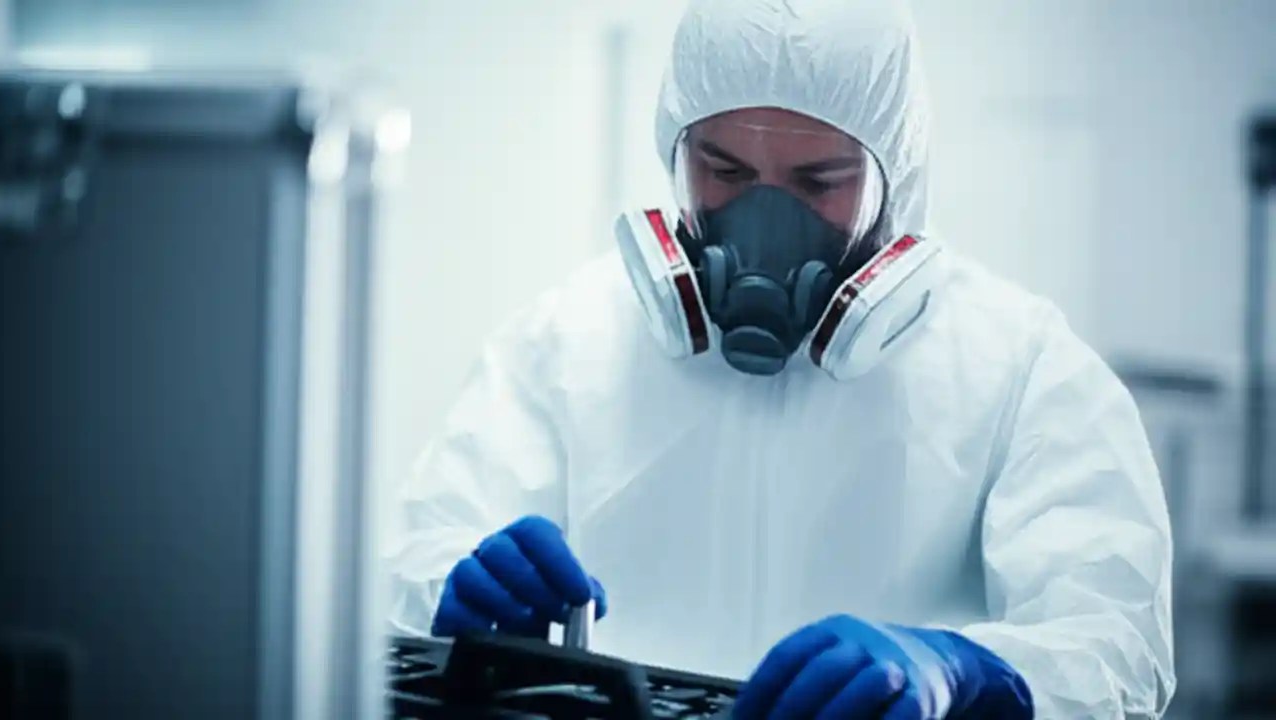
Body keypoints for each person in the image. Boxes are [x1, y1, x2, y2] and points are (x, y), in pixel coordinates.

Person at [386, 0, 1175, 717]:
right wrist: (449, 604)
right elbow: (402, 576)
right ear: (675, 153)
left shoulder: (1022, 366)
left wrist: (971, 673)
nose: (765, 219)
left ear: (893, 175)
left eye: (819, 181)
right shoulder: (565, 342)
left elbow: (1116, 647)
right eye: (725, 172)